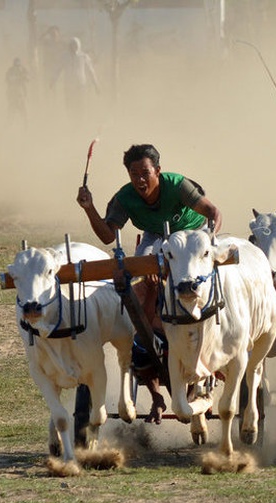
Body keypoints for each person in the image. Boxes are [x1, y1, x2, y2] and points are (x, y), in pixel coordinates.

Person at [76, 144, 222, 423]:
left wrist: (210, 239)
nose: (140, 179)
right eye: (134, 174)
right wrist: (89, 207)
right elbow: (108, 236)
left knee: (197, 281)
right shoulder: (125, 197)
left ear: (158, 170)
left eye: (145, 172)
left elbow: (212, 212)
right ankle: (148, 328)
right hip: (156, 237)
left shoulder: (178, 185)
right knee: (139, 277)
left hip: (191, 237)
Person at [50, 37, 100, 119]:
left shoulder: (83, 57)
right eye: (72, 45)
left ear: (78, 45)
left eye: (75, 45)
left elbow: (91, 71)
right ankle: (71, 122)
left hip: (81, 86)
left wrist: (96, 85)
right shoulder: (64, 57)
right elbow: (58, 70)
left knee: (81, 106)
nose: (73, 47)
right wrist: (53, 81)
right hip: (68, 87)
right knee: (70, 106)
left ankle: (80, 122)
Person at [5, 57, 30, 126]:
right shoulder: (10, 71)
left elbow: (28, 78)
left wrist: (24, 77)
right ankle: (9, 125)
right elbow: (8, 79)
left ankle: (26, 125)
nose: (17, 66)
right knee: (11, 111)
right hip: (12, 94)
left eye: (18, 65)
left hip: (21, 94)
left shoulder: (23, 70)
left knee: (24, 111)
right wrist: (18, 78)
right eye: (16, 65)